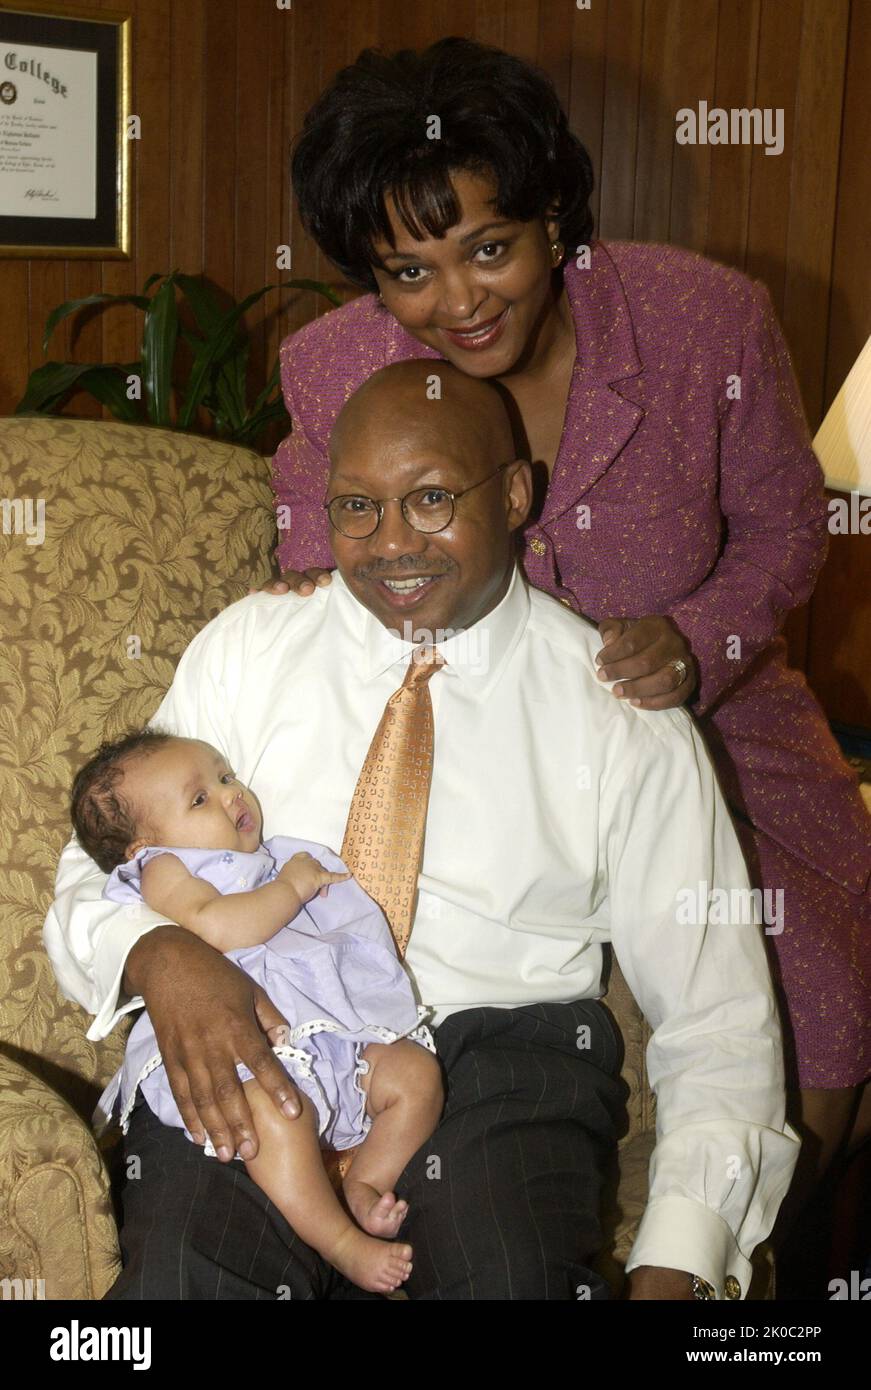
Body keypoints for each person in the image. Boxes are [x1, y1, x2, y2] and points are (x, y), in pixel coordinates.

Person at [269, 38, 870, 1226]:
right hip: (464, 751)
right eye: (407, 272)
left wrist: (699, 639)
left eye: (488, 248)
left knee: (815, 1001)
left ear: (554, 218)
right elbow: (308, 565)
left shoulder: (706, 322)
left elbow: (787, 529)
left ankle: (758, 1274)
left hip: (712, 735)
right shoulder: (333, 367)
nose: (458, 302)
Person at [46, 360, 800, 1301]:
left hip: (504, 1061)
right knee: (179, 1283)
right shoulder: (251, 649)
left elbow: (716, 1012)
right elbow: (101, 866)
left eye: (431, 498)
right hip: (262, 1031)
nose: (390, 543)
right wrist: (160, 955)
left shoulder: (619, 709)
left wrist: (676, 1264)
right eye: (356, 508)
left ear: (517, 492)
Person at [69, 729, 443, 1295]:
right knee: (276, 1117)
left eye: (225, 776)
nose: (230, 794)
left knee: (416, 1074)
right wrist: (292, 887)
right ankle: (339, 1241)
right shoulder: (164, 870)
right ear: (140, 848)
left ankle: (365, 1181)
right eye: (199, 798)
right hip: (242, 1052)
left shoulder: (270, 857)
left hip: (325, 1039)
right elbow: (217, 926)